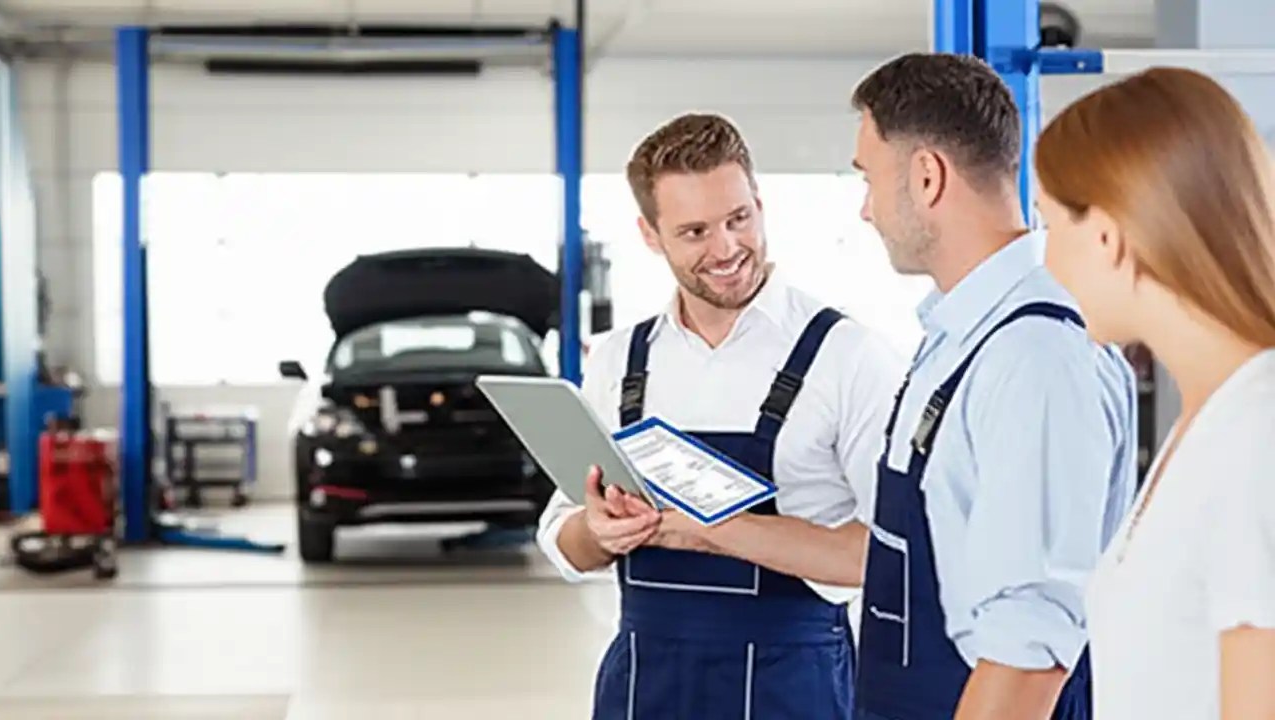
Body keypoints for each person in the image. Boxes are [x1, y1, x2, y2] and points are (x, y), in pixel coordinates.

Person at [535, 112, 906, 719]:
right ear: (650, 235)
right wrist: (598, 534)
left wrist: (711, 531)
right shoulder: (619, 362)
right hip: (643, 684)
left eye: (739, 218)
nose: (727, 248)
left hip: (794, 685)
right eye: (695, 232)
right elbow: (564, 540)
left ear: (760, 203)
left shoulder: (848, 357)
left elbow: (887, 553)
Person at [847, 53, 1139, 720]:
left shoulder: (1033, 356)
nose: (865, 210)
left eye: (868, 178)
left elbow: (1027, 652)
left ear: (927, 176)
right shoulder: (957, 338)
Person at [1035, 67, 1275, 720]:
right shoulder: (1208, 421)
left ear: (1107, 235)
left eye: (1050, 225)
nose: (1046, 264)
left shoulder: (1255, 434)